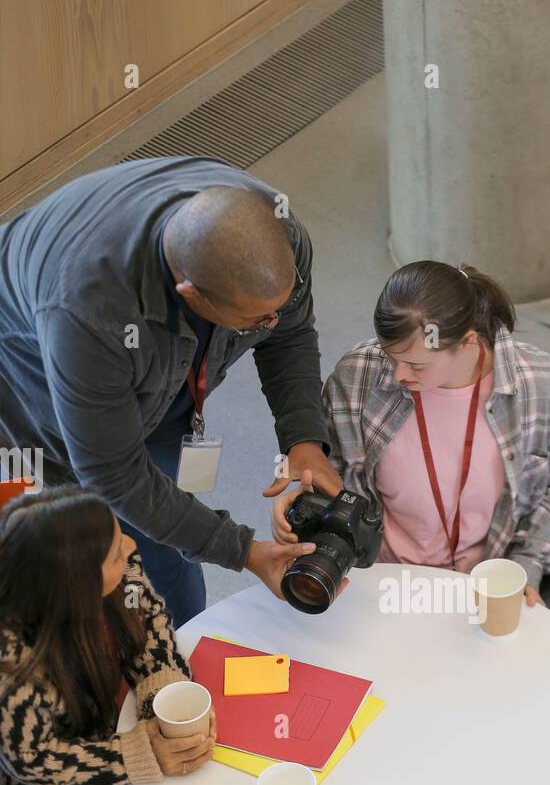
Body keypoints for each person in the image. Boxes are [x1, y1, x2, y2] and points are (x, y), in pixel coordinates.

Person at [291, 259, 550, 711]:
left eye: (415, 364)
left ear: (468, 343)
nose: (397, 376)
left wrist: (527, 564)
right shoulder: (358, 377)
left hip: (492, 583)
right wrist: (297, 496)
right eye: (390, 357)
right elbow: (321, 470)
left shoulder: (546, 386)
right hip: (385, 583)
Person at [0, 155, 341, 627]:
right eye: (255, 320)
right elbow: (114, 475)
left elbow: (289, 331)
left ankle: (182, 653)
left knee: (168, 550)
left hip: (151, 360)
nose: (271, 323)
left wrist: (303, 440)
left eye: (276, 307)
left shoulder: (276, 235)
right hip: (35, 379)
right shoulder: (87, 313)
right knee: (87, 559)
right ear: (191, 294)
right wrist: (244, 551)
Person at [0, 486, 222, 785]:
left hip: (98, 726)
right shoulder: (11, 664)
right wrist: (140, 755)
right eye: (116, 552)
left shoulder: (112, 564)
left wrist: (163, 689)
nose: (132, 547)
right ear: (75, 581)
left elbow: (150, 623)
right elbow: (34, 761)